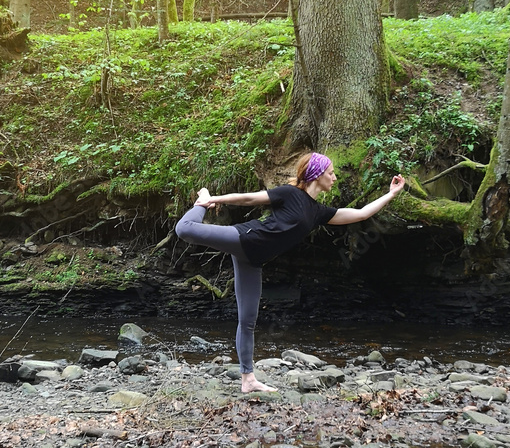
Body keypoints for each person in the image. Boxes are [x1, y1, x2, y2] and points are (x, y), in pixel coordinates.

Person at [174, 152, 406, 393]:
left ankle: (248, 380)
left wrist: (390, 194)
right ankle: (201, 200)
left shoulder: (318, 212)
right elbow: (249, 199)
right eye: (331, 173)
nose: (334, 178)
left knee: (248, 320)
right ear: (317, 175)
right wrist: (214, 198)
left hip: (253, 260)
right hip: (245, 238)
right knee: (185, 229)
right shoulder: (290, 193)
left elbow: (361, 213)